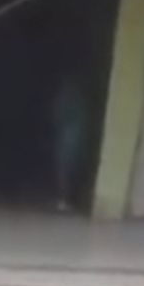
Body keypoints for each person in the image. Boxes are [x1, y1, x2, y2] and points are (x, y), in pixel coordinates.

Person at [50, 73, 91, 212]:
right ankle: (67, 199)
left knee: (65, 169)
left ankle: (64, 199)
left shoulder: (67, 97)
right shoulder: (79, 99)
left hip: (68, 139)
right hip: (74, 139)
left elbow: (57, 115)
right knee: (70, 170)